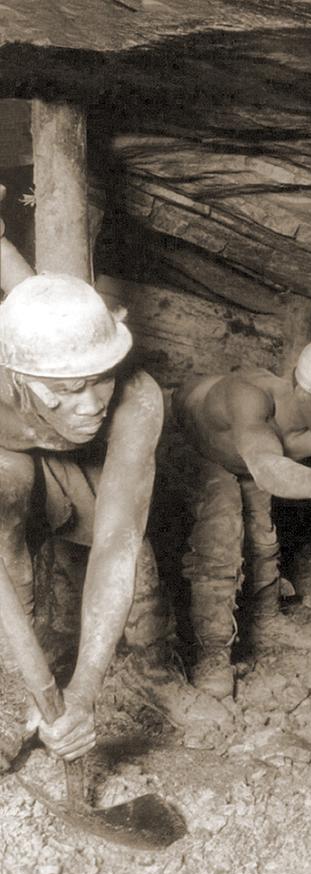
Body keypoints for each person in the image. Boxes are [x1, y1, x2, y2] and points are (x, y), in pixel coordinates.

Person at [0, 228, 184, 767]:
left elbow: (116, 544)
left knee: (140, 572)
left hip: (84, 475)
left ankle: (159, 673)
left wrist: (83, 693)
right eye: (65, 389)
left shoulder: (137, 398)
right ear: (16, 378)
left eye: (98, 379)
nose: (90, 404)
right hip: (11, 462)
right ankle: (14, 699)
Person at [173, 336, 311, 699]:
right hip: (193, 444)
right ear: (302, 393)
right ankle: (211, 650)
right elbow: (269, 470)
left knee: (262, 537)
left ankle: (266, 620)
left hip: (252, 461)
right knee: (222, 530)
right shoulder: (250, 396)